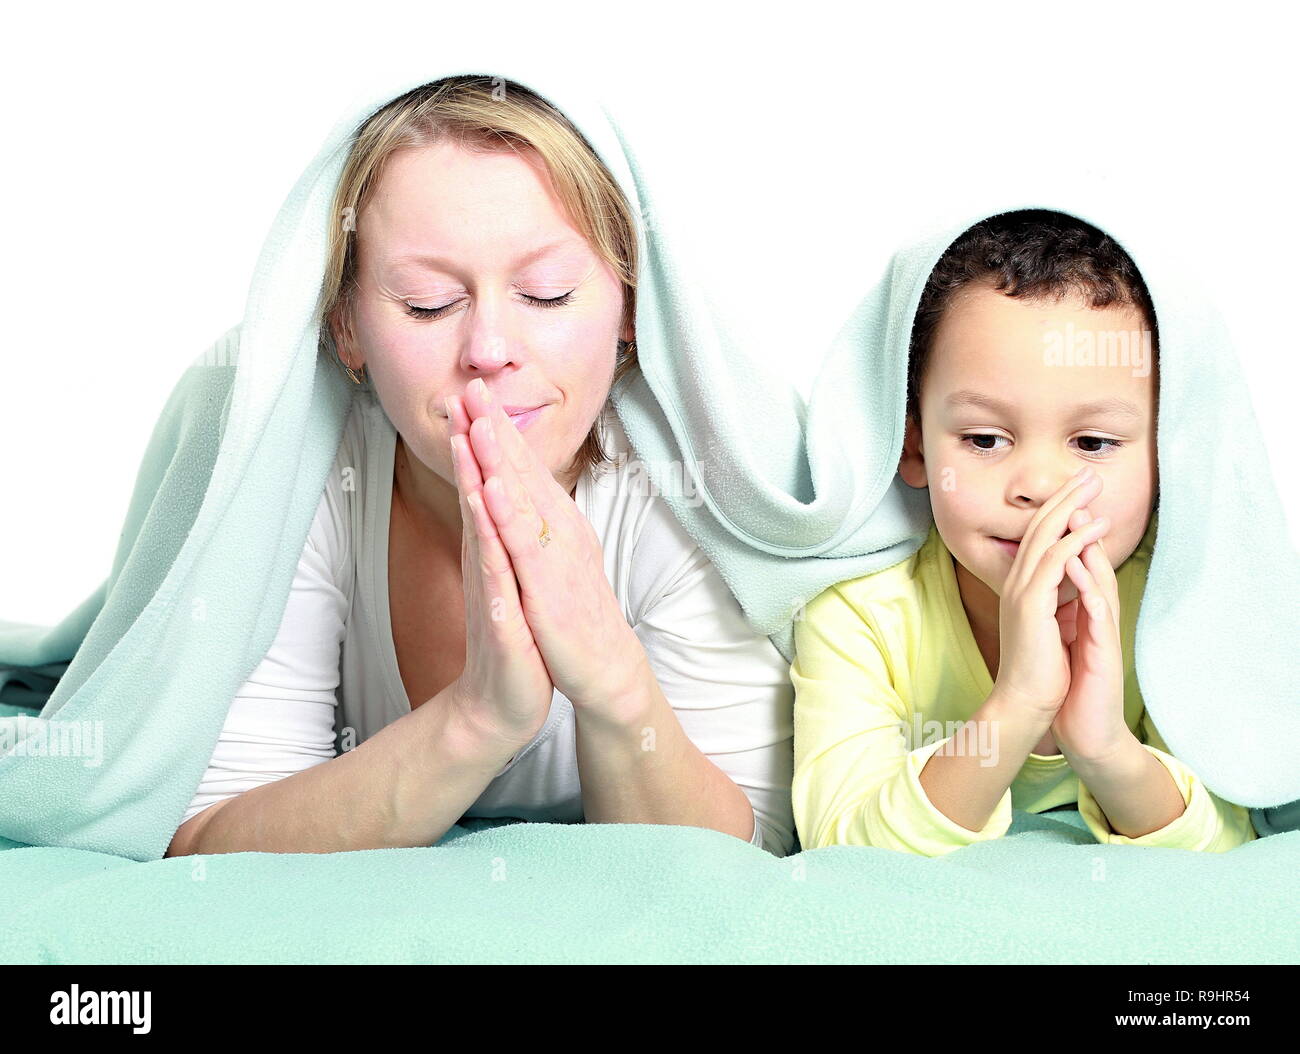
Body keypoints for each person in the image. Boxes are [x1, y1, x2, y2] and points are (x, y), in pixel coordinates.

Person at [165, 74, 794, 858]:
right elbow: (211, 843)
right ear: (347, 328)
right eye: (429, 303)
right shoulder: (303, 466)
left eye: (548, 292)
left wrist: (613, 682)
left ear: (630, 306)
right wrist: (478, 717)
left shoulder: (682, 482)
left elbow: (750, 845)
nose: (490, 351)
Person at [791, 209, 1256, 856]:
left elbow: (1238, 836)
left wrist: (1103, 747)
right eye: (984, 439)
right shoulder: (859, 615)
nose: (1038, 486)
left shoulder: (1174, 603)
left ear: (1166, 458)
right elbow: (842, 847)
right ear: (914, 443)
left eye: (1093, 442)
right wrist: (1016, 707)